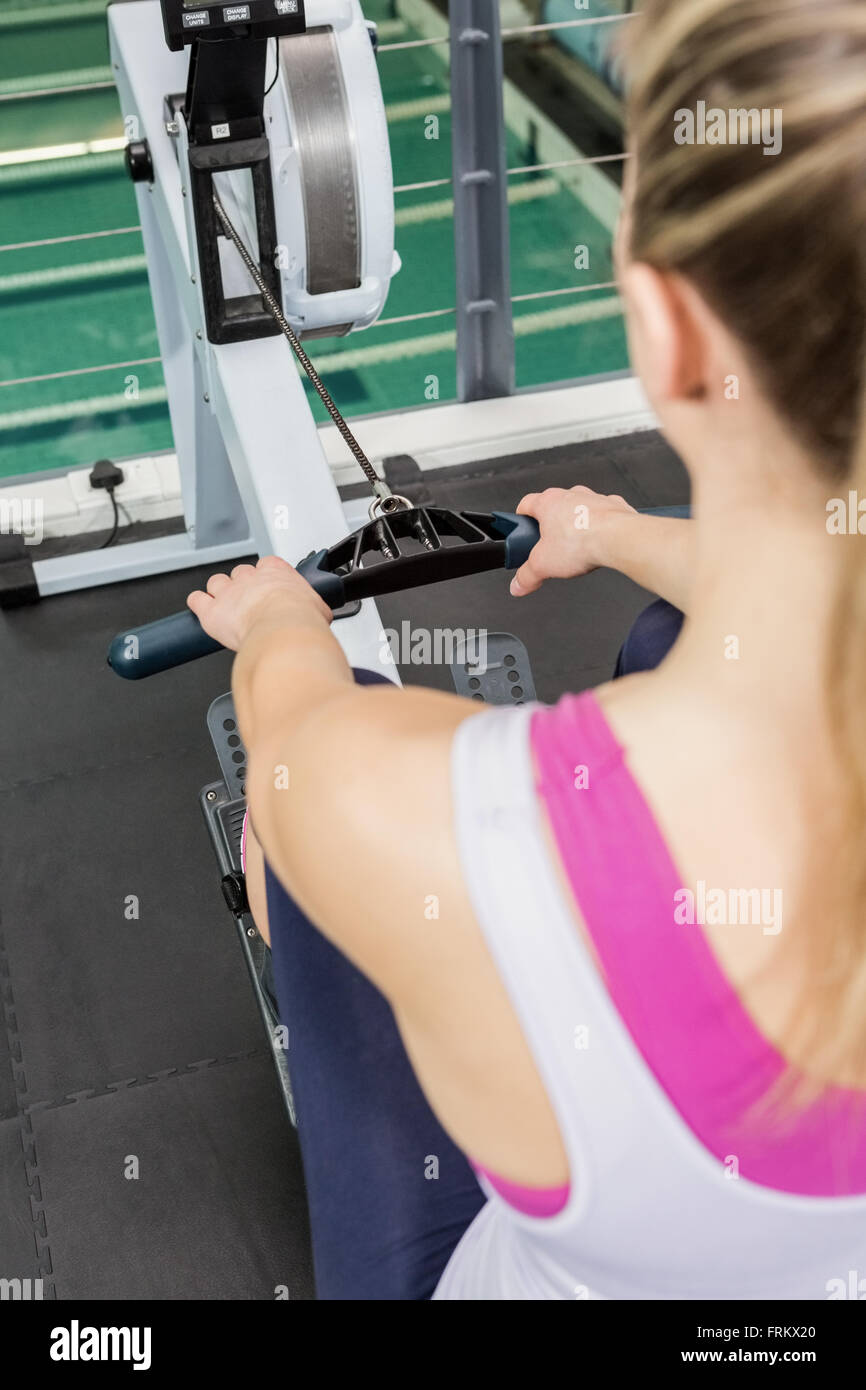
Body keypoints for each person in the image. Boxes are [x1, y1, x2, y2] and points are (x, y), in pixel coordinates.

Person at [187, 0, 866, 1299]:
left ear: (667, 335)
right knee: (672, 626)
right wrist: (615, 532)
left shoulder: (419, 803)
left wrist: (278, 626)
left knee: (313, 808)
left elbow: (301, 729)